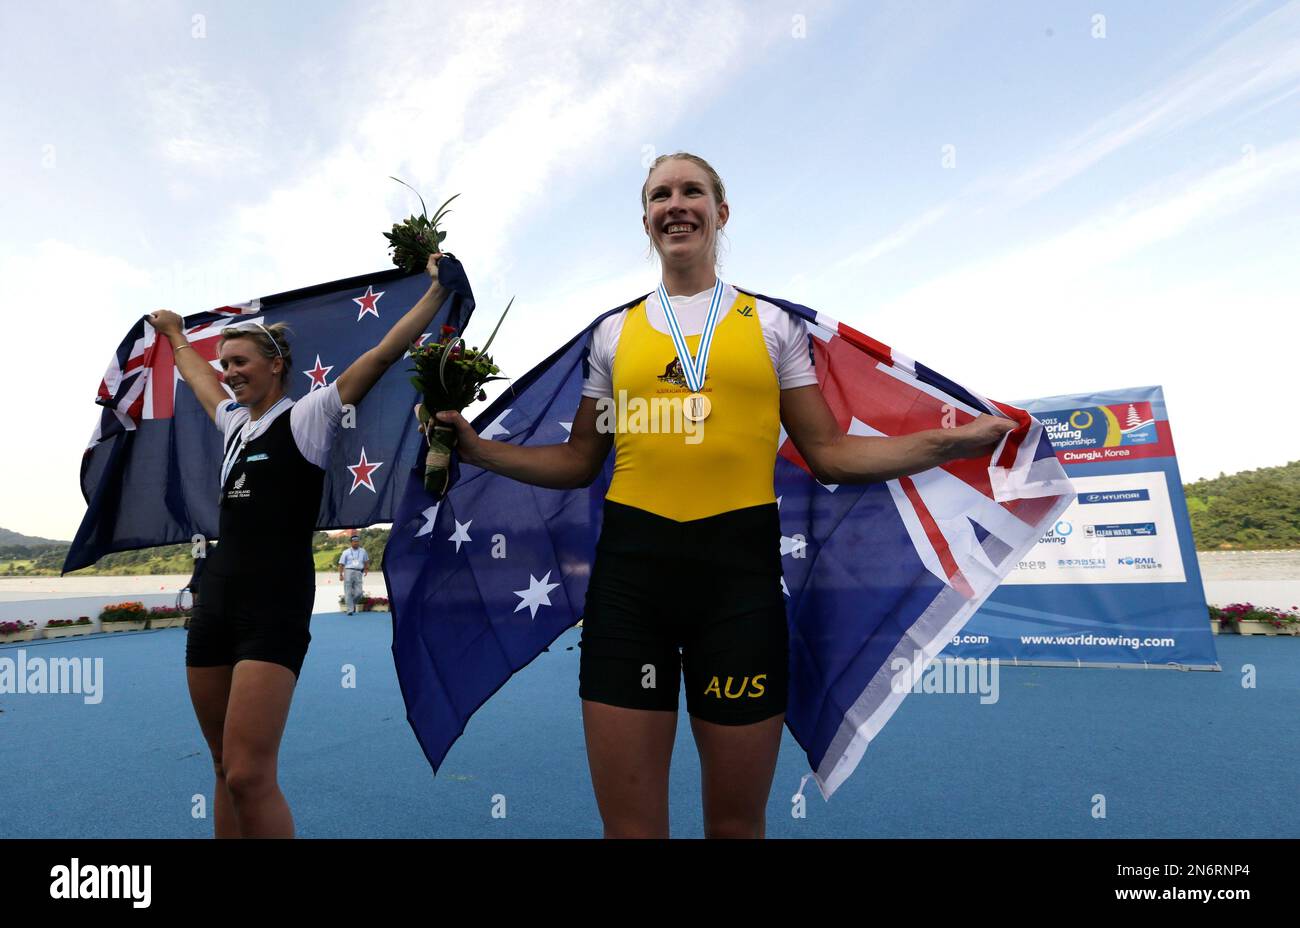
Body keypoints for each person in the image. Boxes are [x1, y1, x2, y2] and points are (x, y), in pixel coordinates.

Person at [428, 153, 1014, 838]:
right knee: (631, 829)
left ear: (720, 212)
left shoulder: (773, 326)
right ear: (645, 220)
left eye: (692, 192)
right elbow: (580, 460)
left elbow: (829, 452)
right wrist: (476, 448)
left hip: (738, 588)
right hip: (630, 589)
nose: (675, 204)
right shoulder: (612, 333)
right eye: (659, 196)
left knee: (736, 825)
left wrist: (950, 442)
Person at [146, 251, 458, 837]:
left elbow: (381, 353)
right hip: (215, 599)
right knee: (220, 766)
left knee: (248, 773)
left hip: (274, 606)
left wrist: (435, 294)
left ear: (276, 364)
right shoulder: (234, 425)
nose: (230, 373)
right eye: (225, 365)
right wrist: (176, 337)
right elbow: (197, 380)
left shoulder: (309, 418)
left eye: (239, 362)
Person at [338, 534, 370, 615]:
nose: (356, 543)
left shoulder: (363, 551)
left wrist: (366, 569)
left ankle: (351, 605)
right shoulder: (346, 552)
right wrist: (341, 574)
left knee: (359, 593)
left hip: (359, 572)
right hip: (348, 571)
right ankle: (350, 610)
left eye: (357, 541)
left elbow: (366, 561)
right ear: (351, 543)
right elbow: (341, 564)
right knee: (348, 591)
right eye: (354, 542)